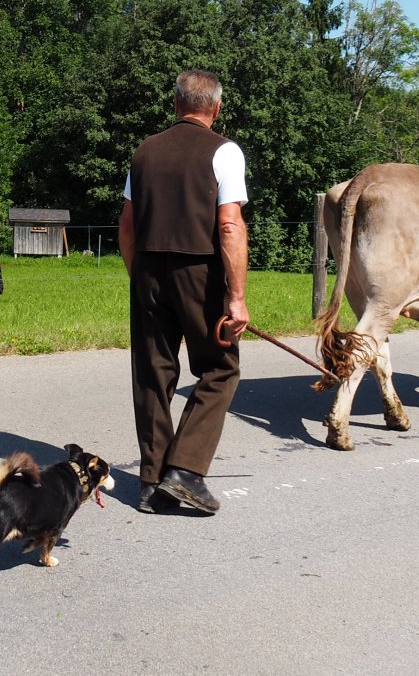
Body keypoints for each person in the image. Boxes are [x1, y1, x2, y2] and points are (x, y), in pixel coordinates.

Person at [118, 70, 249, 515]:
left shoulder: (144, 151)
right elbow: (229, 224)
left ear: (175, 105)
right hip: (200, 270)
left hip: (149, 269)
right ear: (215, 108)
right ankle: (186, 471)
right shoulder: (225, 151)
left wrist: (142, 276)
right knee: (220, 368)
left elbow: (127, 225)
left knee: (152, 375)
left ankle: (151, 483)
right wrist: (236, 297)